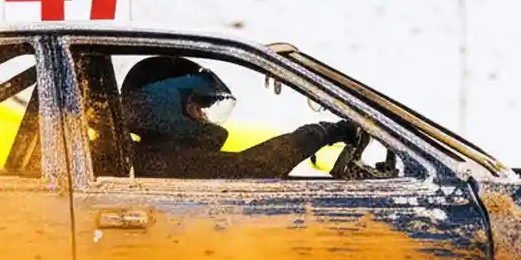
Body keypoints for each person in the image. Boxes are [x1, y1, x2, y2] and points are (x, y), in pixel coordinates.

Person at [120, 56, 360, 179]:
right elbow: (254, 167)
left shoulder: (152, 155)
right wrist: (322, 133)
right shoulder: (164, 161)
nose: (204, 117)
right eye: (197, 108)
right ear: (165, 107)